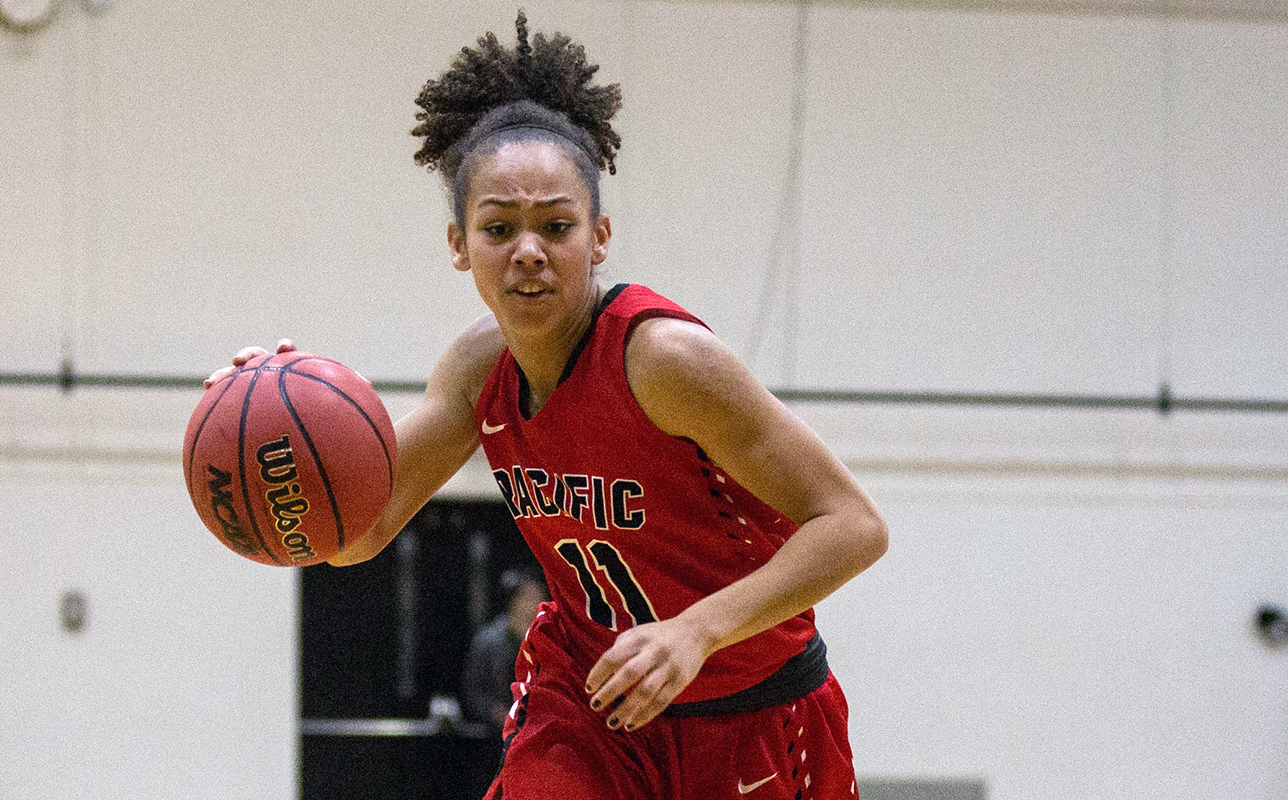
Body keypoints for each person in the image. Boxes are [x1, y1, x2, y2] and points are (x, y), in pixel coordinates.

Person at [206, 13, 887, 799]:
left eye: (556, 226)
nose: (528, 250)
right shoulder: (476, 372)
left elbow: (854, 525)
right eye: (499, 227)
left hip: (753, 707)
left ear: (599, 237)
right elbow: (357, 535)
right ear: (459, 244)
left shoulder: (665, 362)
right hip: (593, 700)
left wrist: (696, 631)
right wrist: (271, 439)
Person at [464, 568, 550, 737]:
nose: (536, 603)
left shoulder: (546, 639)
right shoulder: (488, 640)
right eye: (529, 597)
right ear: (514, 601)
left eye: (539, 597)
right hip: (496, 734)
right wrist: (495, 712)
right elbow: (472, 691)